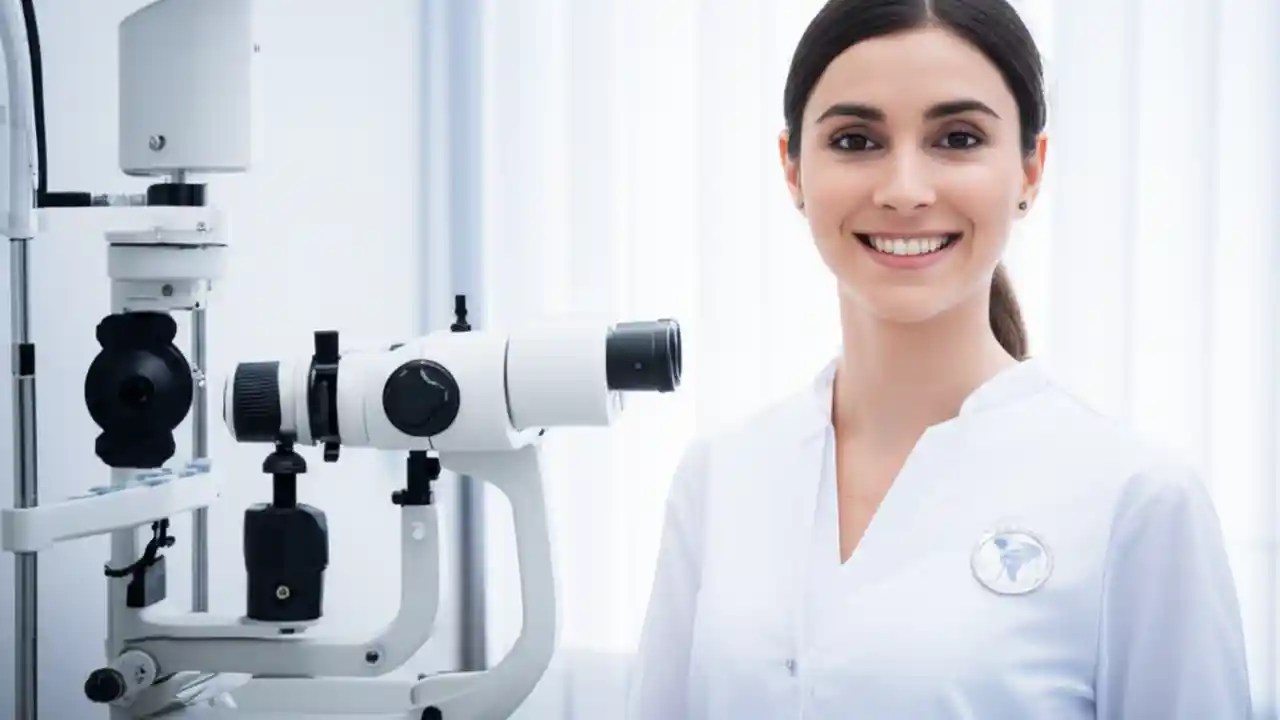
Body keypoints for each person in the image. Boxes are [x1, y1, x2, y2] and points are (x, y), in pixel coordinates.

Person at [625, 0, 1252, 718]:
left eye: (957, 138)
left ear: (1031, 169)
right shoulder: (721, 479)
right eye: (856, 141)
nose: (904, 191)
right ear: (792, 169)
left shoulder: (1136, 500)